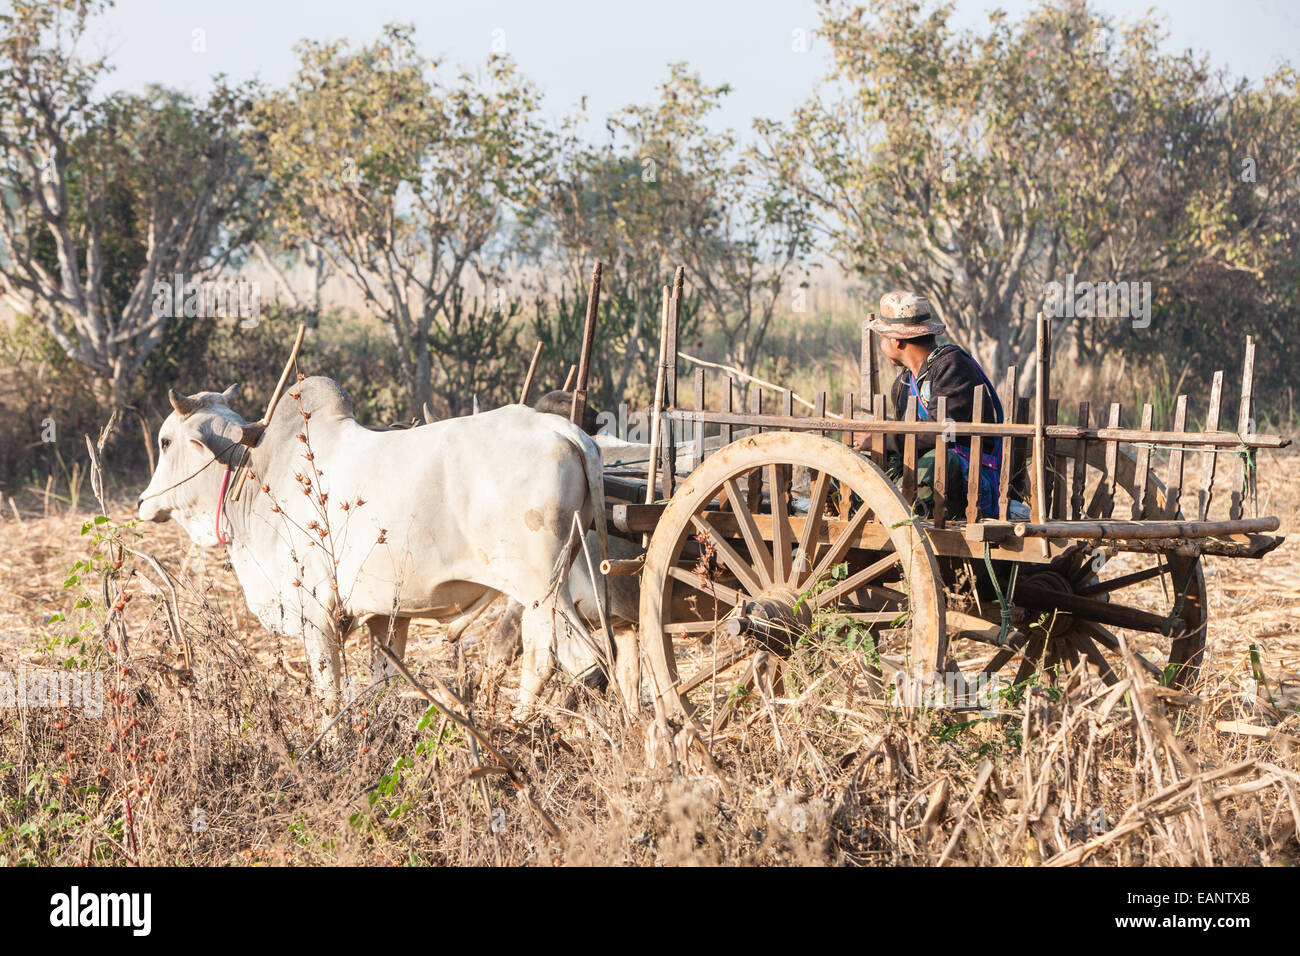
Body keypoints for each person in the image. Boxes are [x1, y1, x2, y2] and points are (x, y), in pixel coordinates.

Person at [862, 291, 1011, 519]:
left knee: (937, 463)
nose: (882, 345)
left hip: (963, 480)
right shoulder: (903, 383)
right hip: (925, 468)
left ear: (897, 339)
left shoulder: (953, 366)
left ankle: (903, 508)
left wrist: (881, 439)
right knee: (862, 462)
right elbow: (908, 438)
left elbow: (943, 430)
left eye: (883, 338)